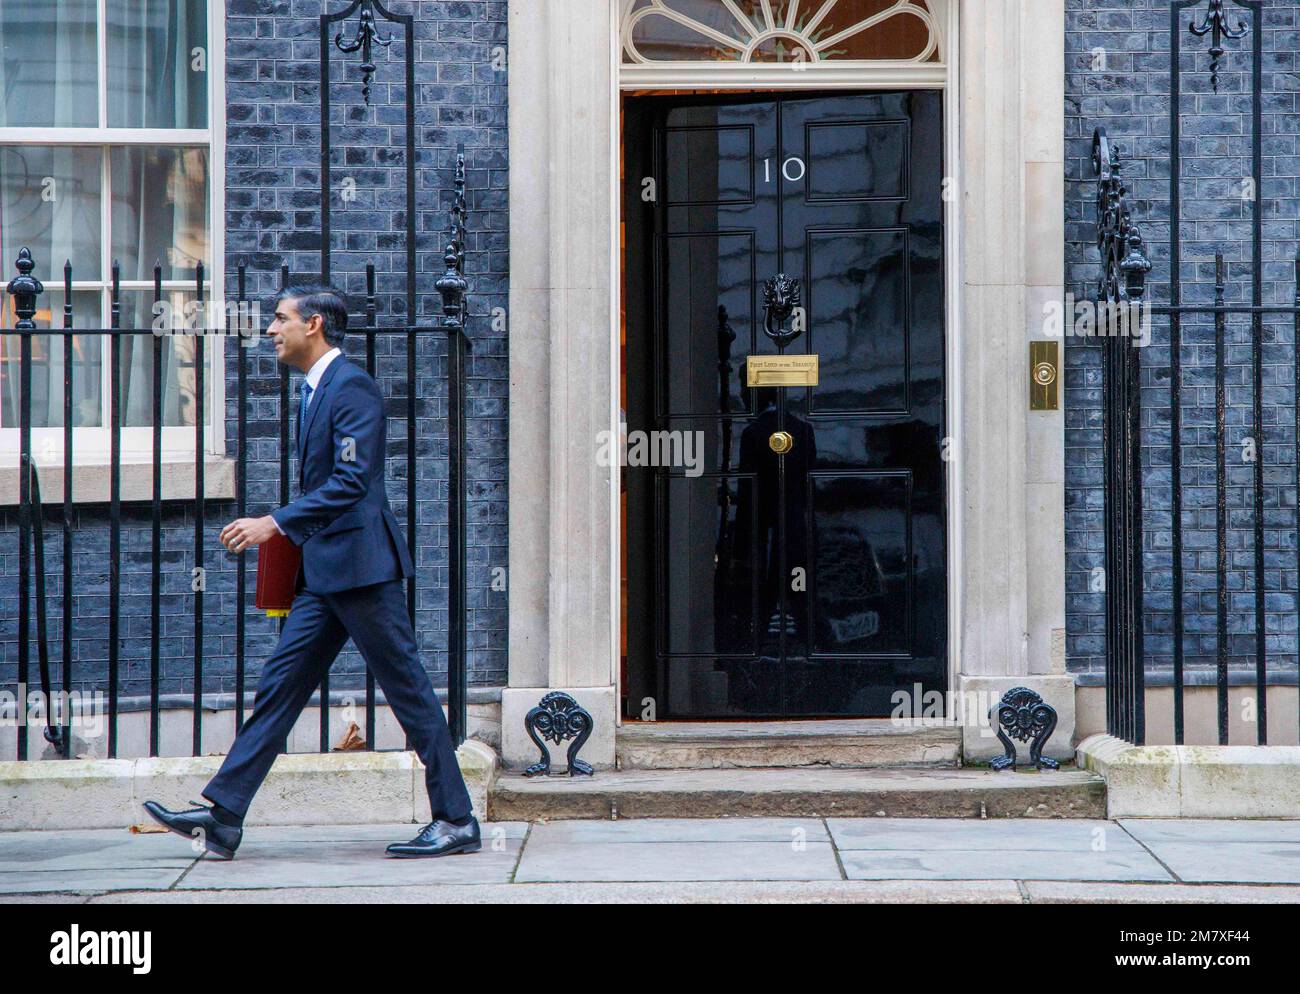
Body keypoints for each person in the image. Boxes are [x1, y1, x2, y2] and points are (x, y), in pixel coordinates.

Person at [142, 285, 479, 860]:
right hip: (326, 575)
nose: (271, 330)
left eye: (280, 319)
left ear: (314, 324)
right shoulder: (315, 390)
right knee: (280, 689)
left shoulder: (352, 388)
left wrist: (274, 524)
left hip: (364, 571)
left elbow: (350, 483)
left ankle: (456, 819)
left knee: (409, 692)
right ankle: (223, 816)